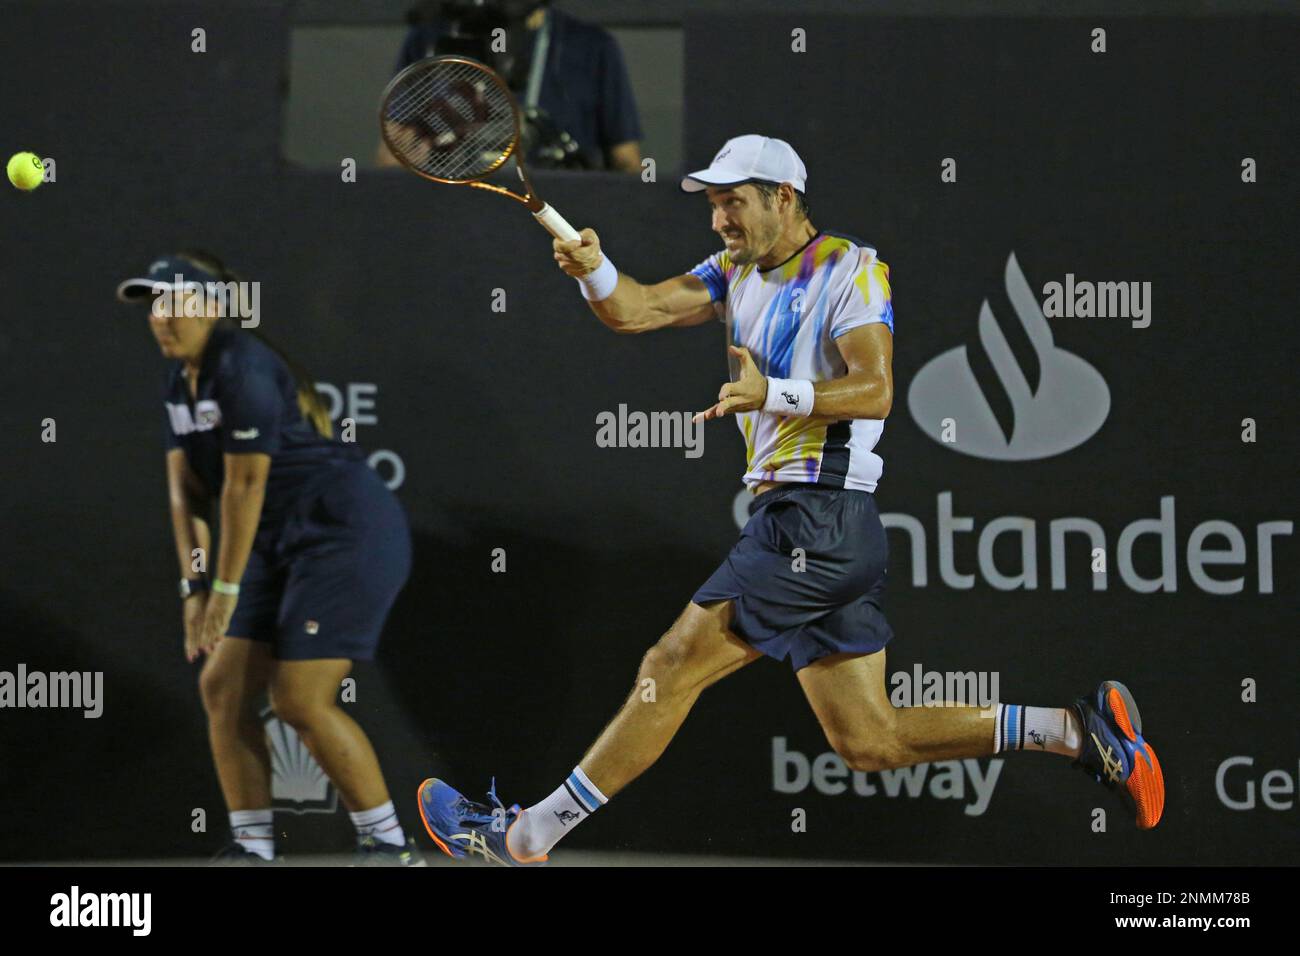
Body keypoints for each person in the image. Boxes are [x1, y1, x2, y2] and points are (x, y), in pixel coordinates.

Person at [416, 134, 1165, 865]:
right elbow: (637, 309)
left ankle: (521, 841)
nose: (719, 221)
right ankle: (1076, 732)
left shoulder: (850, 270)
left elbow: (875, 392)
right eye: (712, 205)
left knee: (671, 662)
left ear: (783, 197)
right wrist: (593, 269)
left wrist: (771, 393)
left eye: (733, 203)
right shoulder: (730, 269)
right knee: (869, 740)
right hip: (827, 528)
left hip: (818, 516)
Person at [117, 251, 424, 866]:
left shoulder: (245, 369)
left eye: (174, 302)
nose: (160, 318)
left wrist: (225, 592)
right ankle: (254, 850)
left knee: (299, 699)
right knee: (222, 687)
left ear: (211, 309)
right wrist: (194, 588)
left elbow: (245, 489)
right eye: (153, 305)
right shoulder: (178, 381)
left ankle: (390, 846)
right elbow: (187, 496)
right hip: (275, 541)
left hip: (345, 535)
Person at [377, 0, 643, 172]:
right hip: (451, 210)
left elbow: (626, 159)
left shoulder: (592, 46)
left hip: (557, 216)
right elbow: (391, 154)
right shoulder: (429, 37)